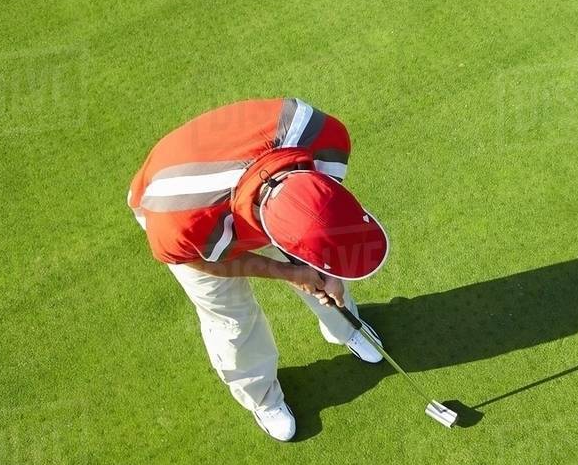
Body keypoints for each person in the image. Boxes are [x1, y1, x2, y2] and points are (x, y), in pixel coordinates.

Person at [127, 98, 389, 441]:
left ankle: (345, 327)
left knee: (322, 270)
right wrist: (289, 272)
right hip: (185, 203)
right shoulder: (179, 221)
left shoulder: (323, 136)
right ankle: (262, 397)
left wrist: (329, 271)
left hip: (251, 175)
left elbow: (328, 218)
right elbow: (198, 260)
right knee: (233, 319)